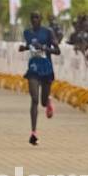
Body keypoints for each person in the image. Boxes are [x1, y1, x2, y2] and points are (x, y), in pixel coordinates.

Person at [19, 11, 59, 146]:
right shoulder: (27, 33)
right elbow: (29, 45)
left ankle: (47, 101)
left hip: (46, 68)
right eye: (32, 17)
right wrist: (24, 48)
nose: (34, 19)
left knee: (42, 102)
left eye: (37, 17)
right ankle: (33, 132)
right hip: (33, 68)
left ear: (41, 19)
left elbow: (57, 51)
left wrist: (44, 48)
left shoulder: (48, 32)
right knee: (34, 99)